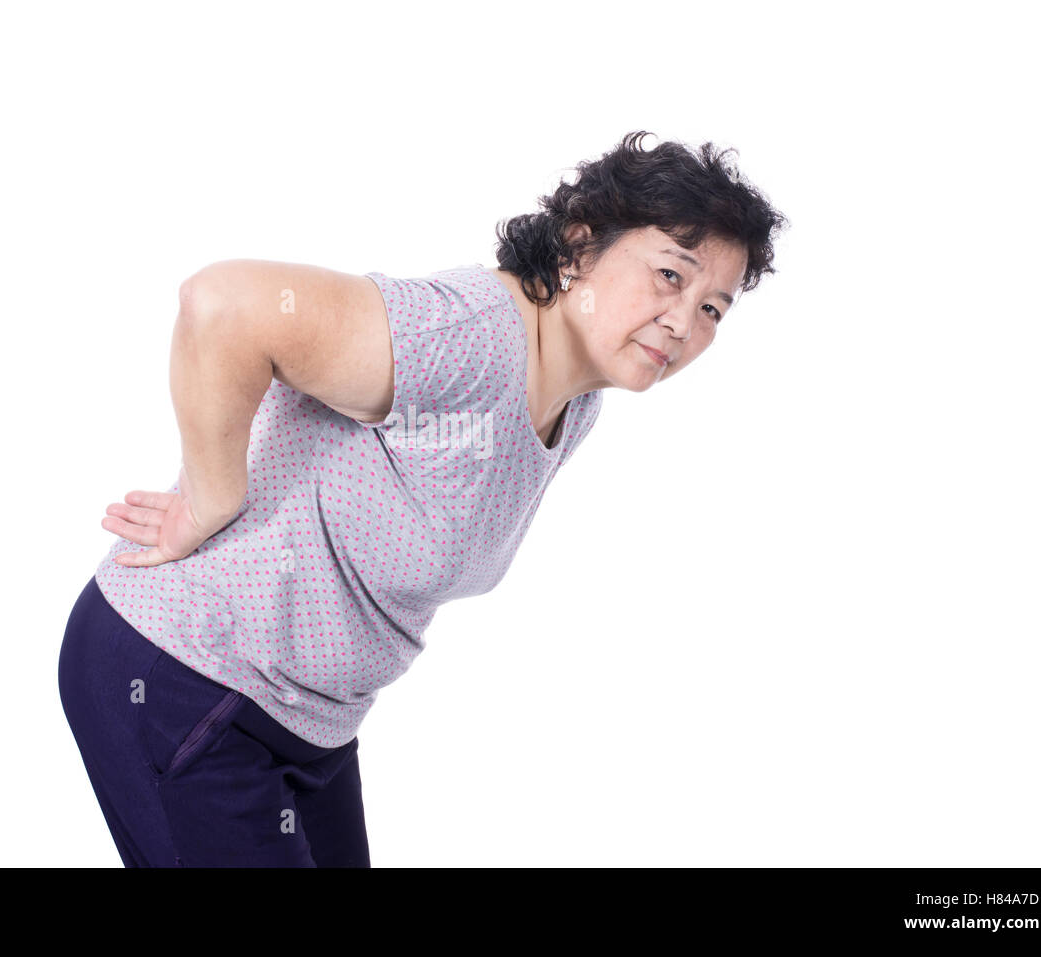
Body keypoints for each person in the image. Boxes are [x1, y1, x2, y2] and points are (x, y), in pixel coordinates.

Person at [57, 130, 789, 867]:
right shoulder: (466, 336)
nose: (683, 322)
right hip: (182, 674)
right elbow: (222, 303)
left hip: (308, 723)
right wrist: (211, 497)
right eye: (670, 275)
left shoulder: (577, 401)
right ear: (580, 243)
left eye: (712, 310)